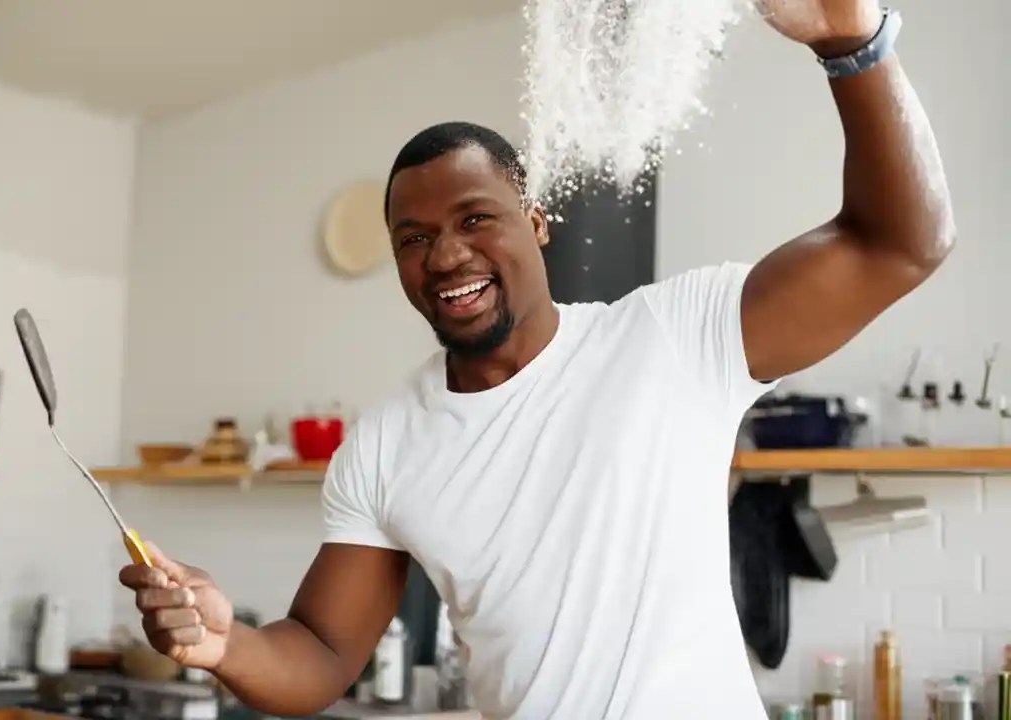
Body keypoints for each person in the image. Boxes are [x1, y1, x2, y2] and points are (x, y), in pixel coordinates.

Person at [119, 0, 955, 716]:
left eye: (476, 218)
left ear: (537, 221)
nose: (445, 256)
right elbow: (322, 652)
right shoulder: (385, 444)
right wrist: (224, 643)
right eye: (413, 239)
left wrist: (855, 43)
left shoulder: (673, 337)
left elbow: (901, 245)